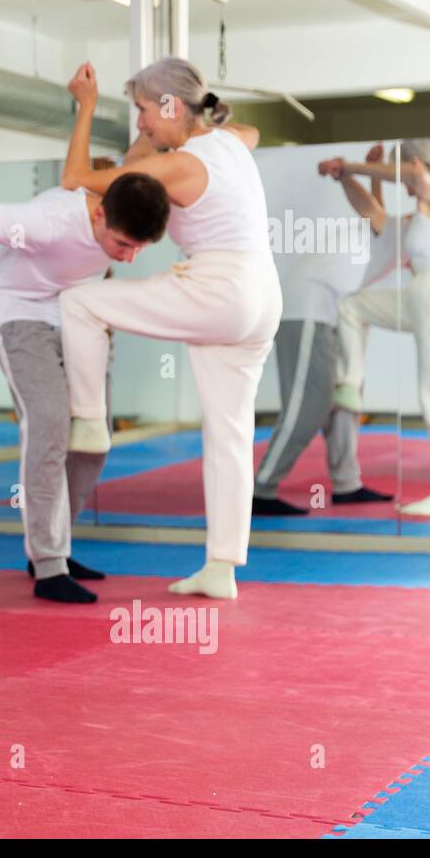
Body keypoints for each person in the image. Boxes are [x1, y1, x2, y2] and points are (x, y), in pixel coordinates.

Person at [0, 162, 170, 602]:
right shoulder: (48, 222)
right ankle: (48, 563)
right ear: (99, 216)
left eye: (139, 249)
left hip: (74, 318)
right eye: (124, 245)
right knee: (48, 423)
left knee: (92, 439)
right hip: (18, 312)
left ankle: (56, 542)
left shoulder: (116, 221)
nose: (129, 256)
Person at [55, 59, 282, 600]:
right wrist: (154, 133)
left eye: (141, 111)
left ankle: (88, 421)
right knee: (229, 434)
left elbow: (76, 181)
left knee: (80, 301)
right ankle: (221, 567)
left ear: (170, 106)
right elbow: (242, 131)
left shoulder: (182, 164)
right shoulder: (229, 142)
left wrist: (86, 107)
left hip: (218, 288)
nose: (140, 125)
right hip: (262, 295)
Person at [329, 139, 430, 516]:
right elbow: (375, 215)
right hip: (425, 298)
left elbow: (413, 174)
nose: (406, 186)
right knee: (352, 306)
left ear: (413, 164)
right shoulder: (422, 214)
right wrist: (345, 175)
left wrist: (352, 163)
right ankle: (349, 386)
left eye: (402, 172)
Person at [251, 144, 399, 515]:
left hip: (330, 315)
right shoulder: (395, 231)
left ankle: (347, 482)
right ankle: (261, 489)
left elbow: (374, 209)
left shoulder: (383, 233)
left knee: (343, 403)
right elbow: (370, 209)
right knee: (309, 406)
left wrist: (368, 171)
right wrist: (350, 172)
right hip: (306, 310)